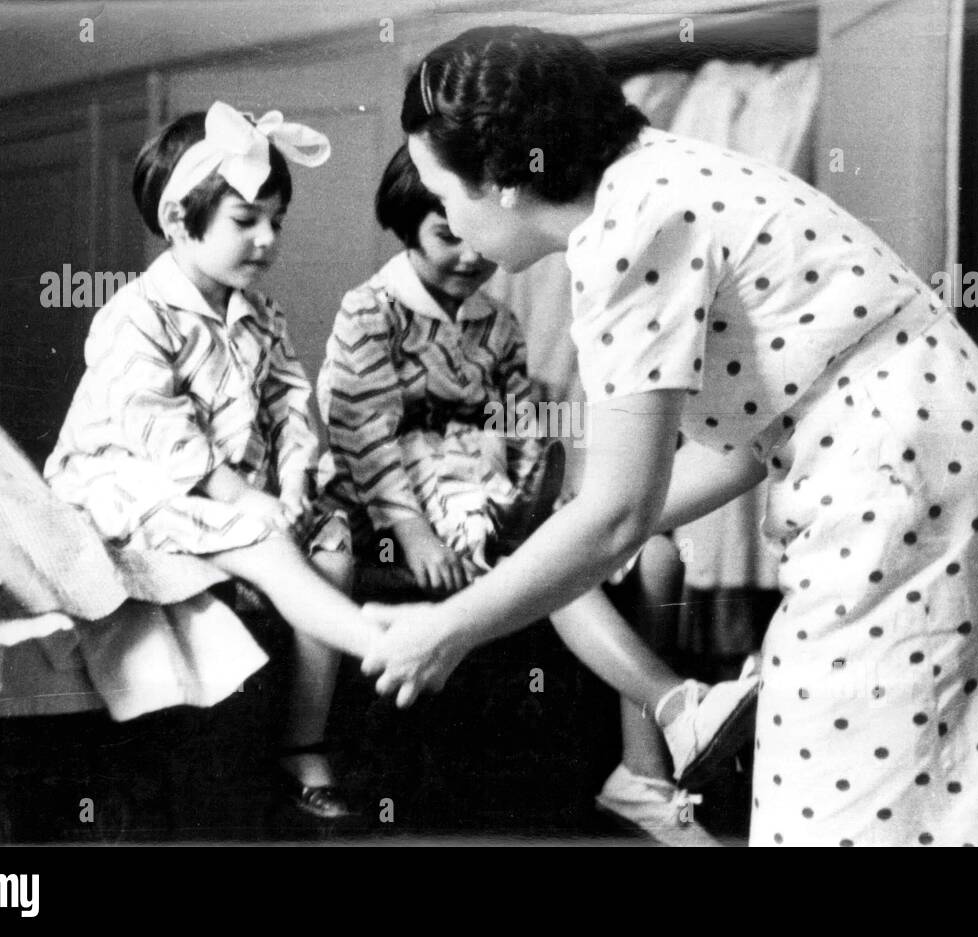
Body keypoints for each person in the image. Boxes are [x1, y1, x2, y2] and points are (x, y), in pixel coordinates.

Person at [359, 25, 978, 847]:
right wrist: (596, 522)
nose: (443, 213)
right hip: (973, 469)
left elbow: (619, 515)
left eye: (443, 192)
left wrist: (446, 625)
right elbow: (739, 441)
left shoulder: (624, 233)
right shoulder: (663, 173)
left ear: (504, 184)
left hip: (912, 502)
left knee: (845, 812)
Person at [315, 144, 760, 844]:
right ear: (409, 226)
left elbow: (519, 427)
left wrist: (526, 500)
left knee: (653, 555)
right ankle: (674, 705)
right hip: (392, 506)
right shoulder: (370, 311)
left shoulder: (498, 325)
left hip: (489, 497)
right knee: (566, 565)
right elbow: (363, 434)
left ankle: (643, 773)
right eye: (444, 238)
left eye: (478, 245)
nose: (468, 257)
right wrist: (415, 532)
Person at [45, 102, 380, 823]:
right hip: (130, 480)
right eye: (245, 219)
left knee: (332, 536)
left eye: (276, 221)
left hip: (237, 489)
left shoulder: (262, 314)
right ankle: (373, 637)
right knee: (260, 535)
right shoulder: (134, 313)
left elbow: (294, 404)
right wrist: (246, 500)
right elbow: (160, 432)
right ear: (179, 221)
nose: (266, 239)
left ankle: (303, 739)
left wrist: (291, 480)